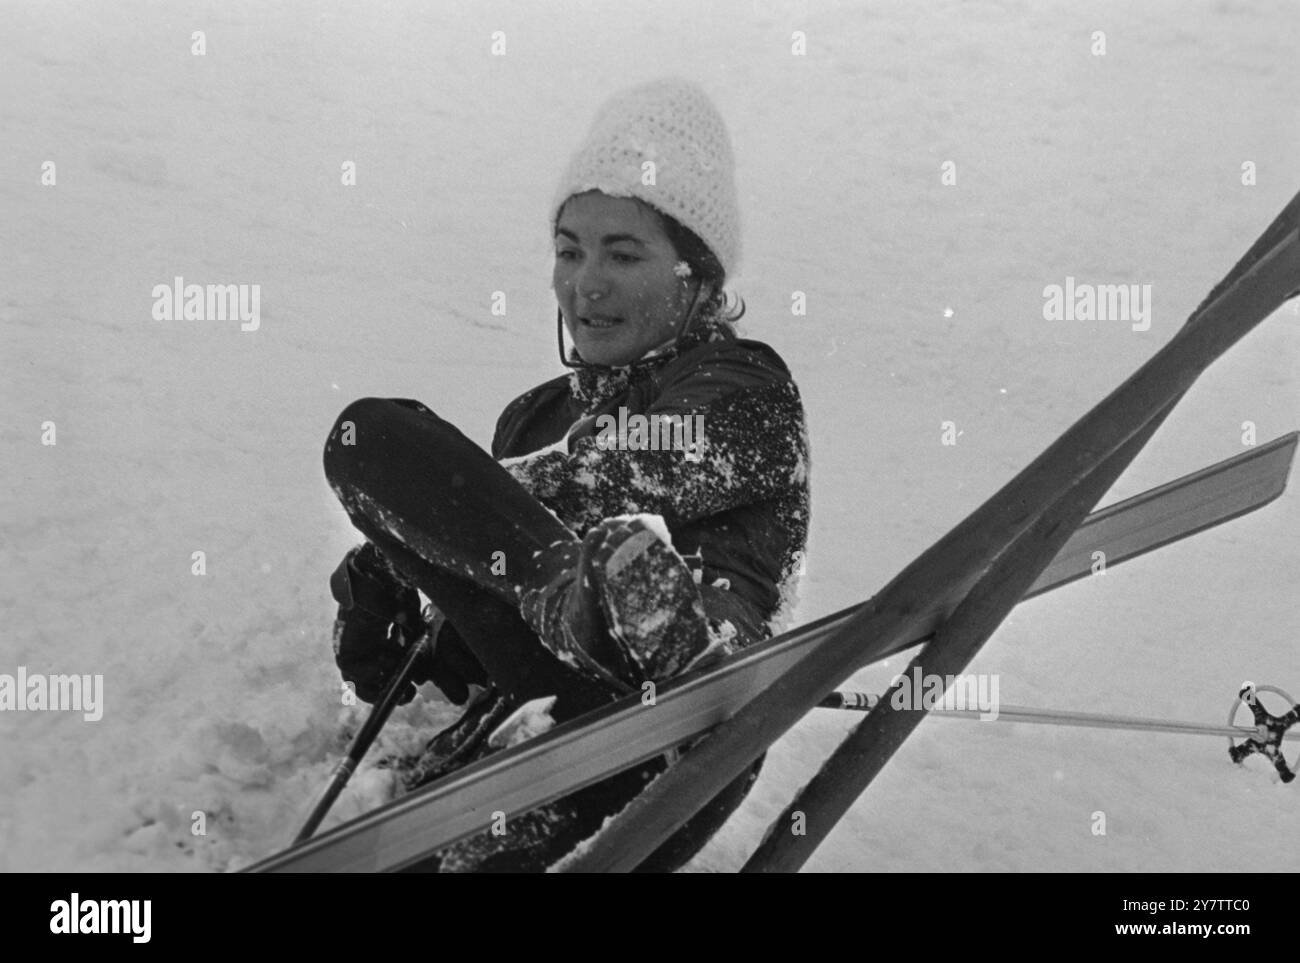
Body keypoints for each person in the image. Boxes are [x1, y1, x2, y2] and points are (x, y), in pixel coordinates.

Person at [323, 77, 810, 872]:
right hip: (544, 715)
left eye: (624, 253)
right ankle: (572, 610)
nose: (588, 281)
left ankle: (609, 607)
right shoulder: (531, 421)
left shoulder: (748, 391)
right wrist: (415, 607)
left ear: (700, 279)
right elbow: (491, 596)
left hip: (675, 728)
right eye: (570, 250)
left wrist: (414, 539)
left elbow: (616, 475)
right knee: (364, 433)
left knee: (607, 560)